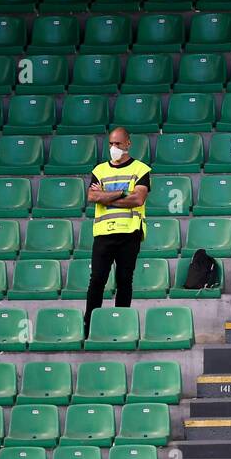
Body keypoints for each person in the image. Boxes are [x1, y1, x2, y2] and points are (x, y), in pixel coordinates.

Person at [83, 126, 152, 337]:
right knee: (97, 280)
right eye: (111, 144)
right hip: (104, 233)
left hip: (129, 232)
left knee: (124, 280)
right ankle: (89, 328)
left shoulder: (141, 170)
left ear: (128, 144)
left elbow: (138, 199)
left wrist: (107, 195)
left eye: (118, 144)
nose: (114, 148)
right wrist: (122, 192)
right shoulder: (99, 170)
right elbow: (92, 197)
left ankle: (121, 327)